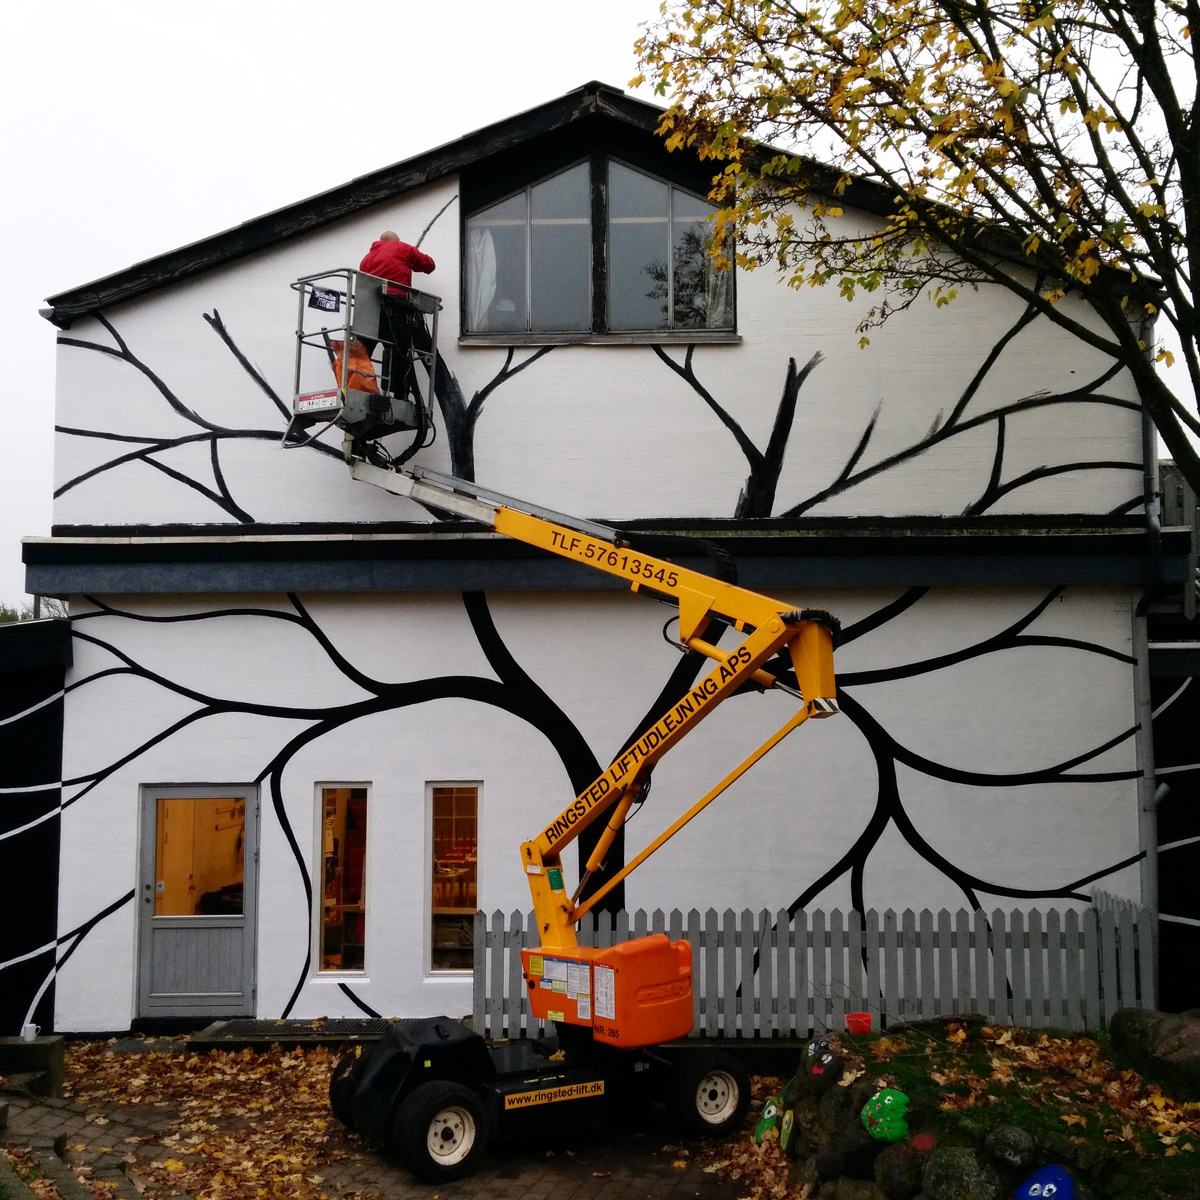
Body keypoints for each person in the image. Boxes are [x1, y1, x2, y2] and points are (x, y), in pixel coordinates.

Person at [357, 232, 436, 398]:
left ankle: (357, 387)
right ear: (396, 241)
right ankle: (400, 395)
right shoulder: (403, 248)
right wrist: (413, 264)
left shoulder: (366, 259)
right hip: (396, 307)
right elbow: (429, 265)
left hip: (371, 308)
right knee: (400, 351)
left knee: (363, 350)